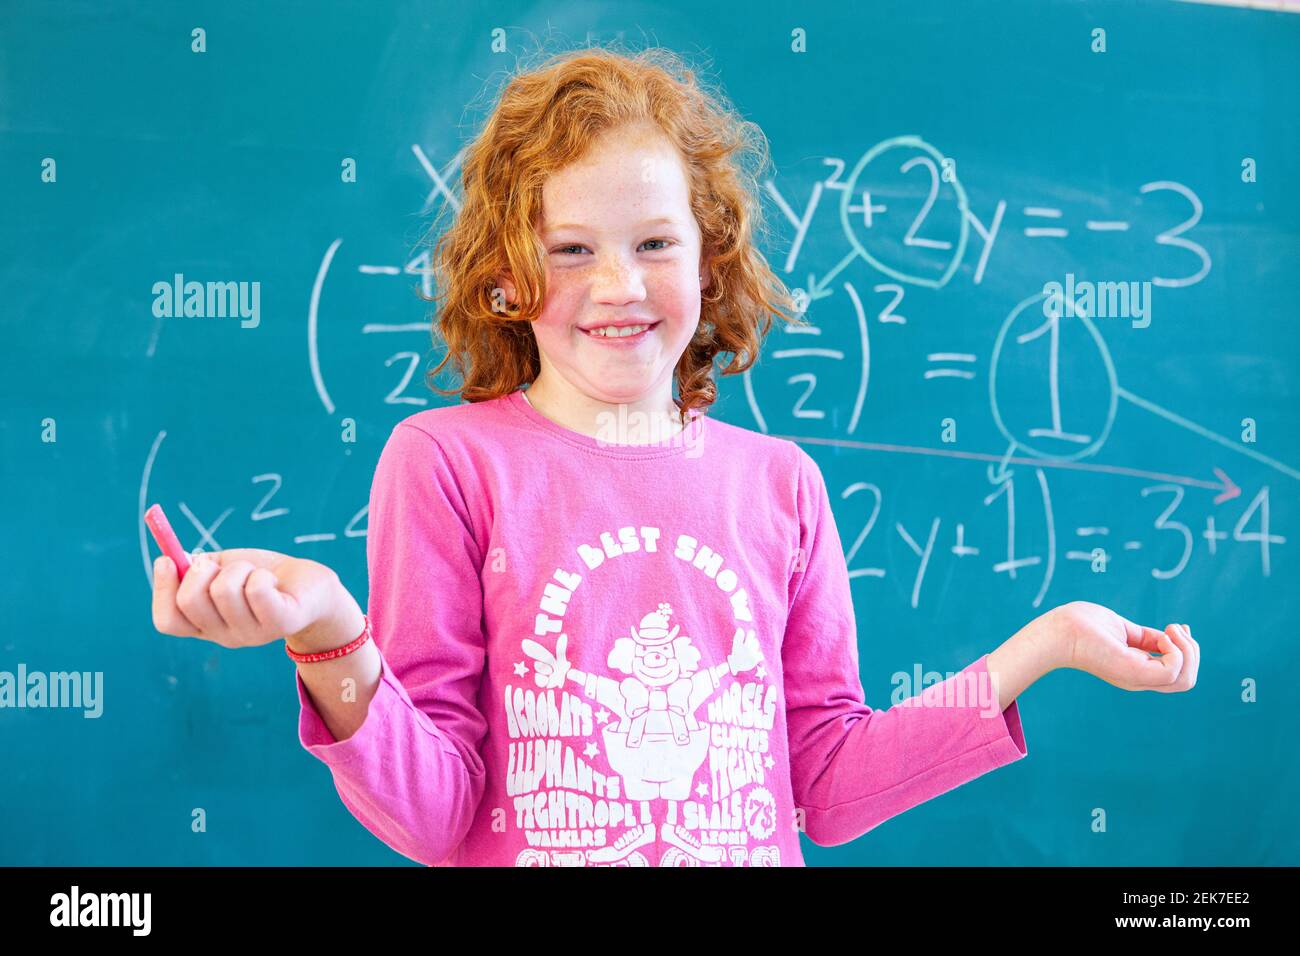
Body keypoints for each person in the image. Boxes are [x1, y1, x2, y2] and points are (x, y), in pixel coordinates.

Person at [150, 46, 1199, 867]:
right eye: (571, 248)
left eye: (654, 243)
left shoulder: (780, 483)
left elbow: (826, 782)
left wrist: (1051, 641)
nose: (619, 284)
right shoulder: (446, 462)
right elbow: (433, 812)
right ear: (508, 279)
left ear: (709, 258)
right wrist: (334, 632)